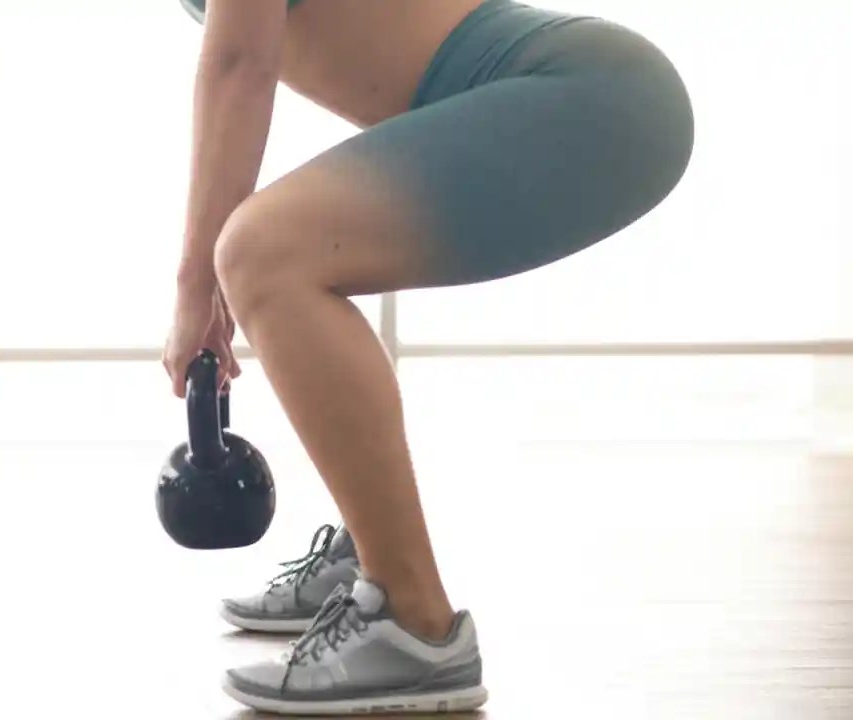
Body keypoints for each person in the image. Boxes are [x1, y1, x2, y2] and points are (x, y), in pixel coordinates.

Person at [160, 0, 694, 714]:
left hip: (581, 90)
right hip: (564, 91)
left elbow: (238, 64)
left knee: (260, 254)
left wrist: (197, 284)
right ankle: (372, 559)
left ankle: (411, 622)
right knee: (280, 250)